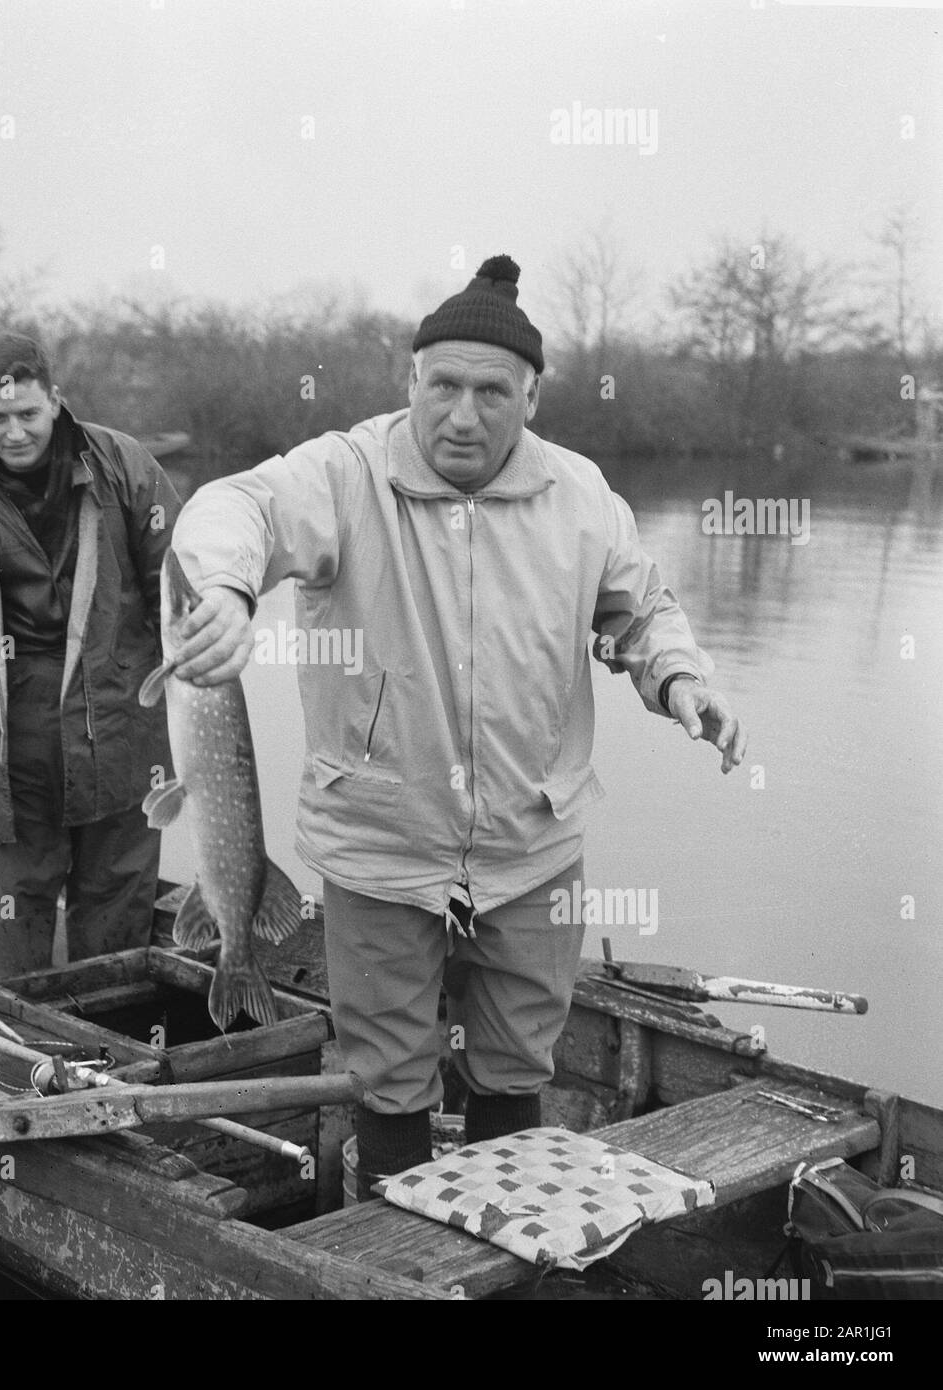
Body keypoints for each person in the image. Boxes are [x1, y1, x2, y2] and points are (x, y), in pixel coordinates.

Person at [168, 255, 746, 1194]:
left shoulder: (583, 498)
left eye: (491, 390)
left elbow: (641, 610)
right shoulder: (346, 474)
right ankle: (399, 1250)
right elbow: (234, 507)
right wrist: (228, 588)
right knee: (386, 1074)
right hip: (380, 846)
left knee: (518, 1063)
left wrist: (682, 682)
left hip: (532, 845)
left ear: (531, 397)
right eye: (442, 385)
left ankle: (498, 1232)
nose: (463, 414)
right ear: (411, 382)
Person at [0, 333, 180, 980]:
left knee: (117, 891)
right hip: (14, 738)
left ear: (56, 403)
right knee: (15, 897)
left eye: (28, 415)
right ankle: (17, 1046)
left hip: (121, 724)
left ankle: (114, 1047)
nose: (14, 433)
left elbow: (181, 593)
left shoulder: (124, 465)